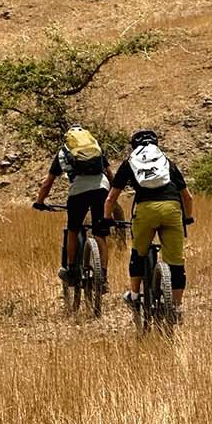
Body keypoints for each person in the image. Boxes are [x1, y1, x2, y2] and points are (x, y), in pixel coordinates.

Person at [105, 129, 195, 311]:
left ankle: (134, 296)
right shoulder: (166, 162)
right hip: (172, 209)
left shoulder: (130, 162)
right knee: (176, 261)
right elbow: (188, 197)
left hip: (145, 210)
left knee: (138, 253)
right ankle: (177, 307)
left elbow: (111, 198)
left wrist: (107, 218)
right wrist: (187, 217)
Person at [32, 125, 113, 290]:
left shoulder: (63, 153)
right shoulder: (96, 148)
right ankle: (103, 277)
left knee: (73, 230)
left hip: (78, 191)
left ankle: (71, 270)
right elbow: (111, 175)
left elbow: (48, 183)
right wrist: (112, 196)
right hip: (101, 188)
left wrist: (39, 201)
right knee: (100, 235)